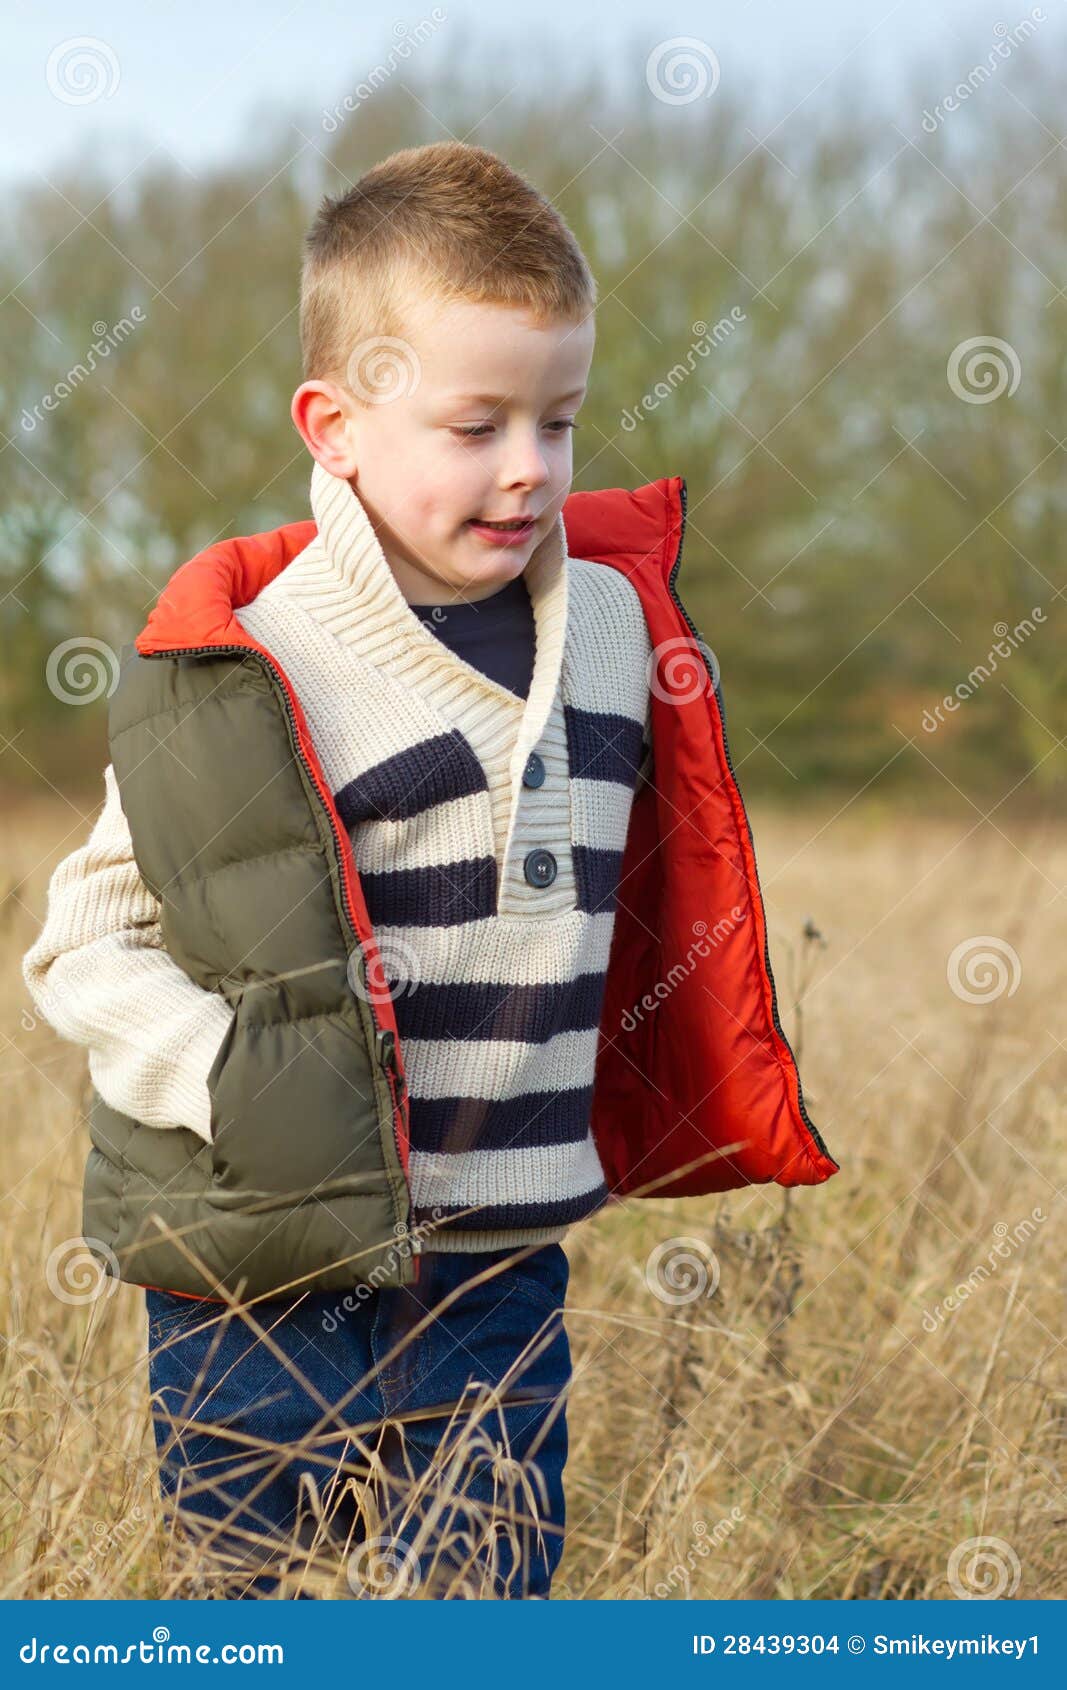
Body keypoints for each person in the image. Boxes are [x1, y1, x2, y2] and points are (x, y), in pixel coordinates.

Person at [21, 140, 836, 1601]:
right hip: (260, 1284)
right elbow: (81, 938)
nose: (529, 466)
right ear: (335, 426)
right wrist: (227, 1073)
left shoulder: (609, 633)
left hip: (500, 1267)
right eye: (477, 425)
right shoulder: (255, 664)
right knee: (259, 1614)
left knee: (481, 1609)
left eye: (560, 419)